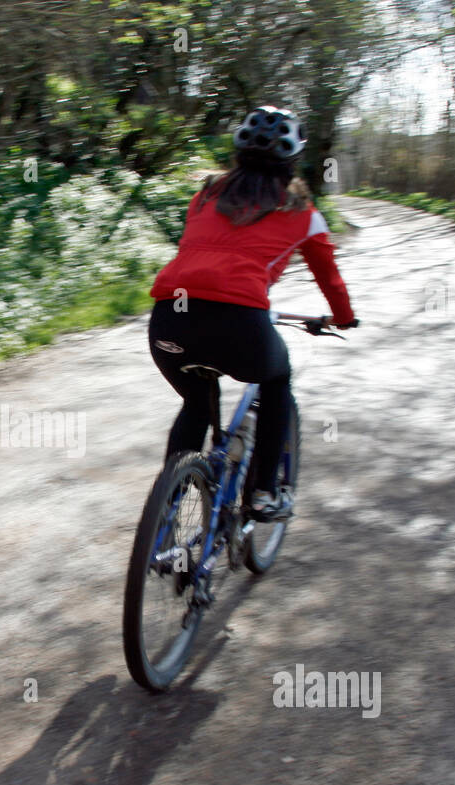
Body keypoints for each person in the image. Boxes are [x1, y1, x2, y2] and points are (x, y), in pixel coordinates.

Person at [147, 104, 356, 522]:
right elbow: (329, 279)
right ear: (293, 160)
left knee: (196, 400)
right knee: (277, 379)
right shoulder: (305, 215)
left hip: (169, 318)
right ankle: (261, 493)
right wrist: (342, 317)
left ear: (238, 154)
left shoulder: (206, 195)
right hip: (240, 324)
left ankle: (165, 512)